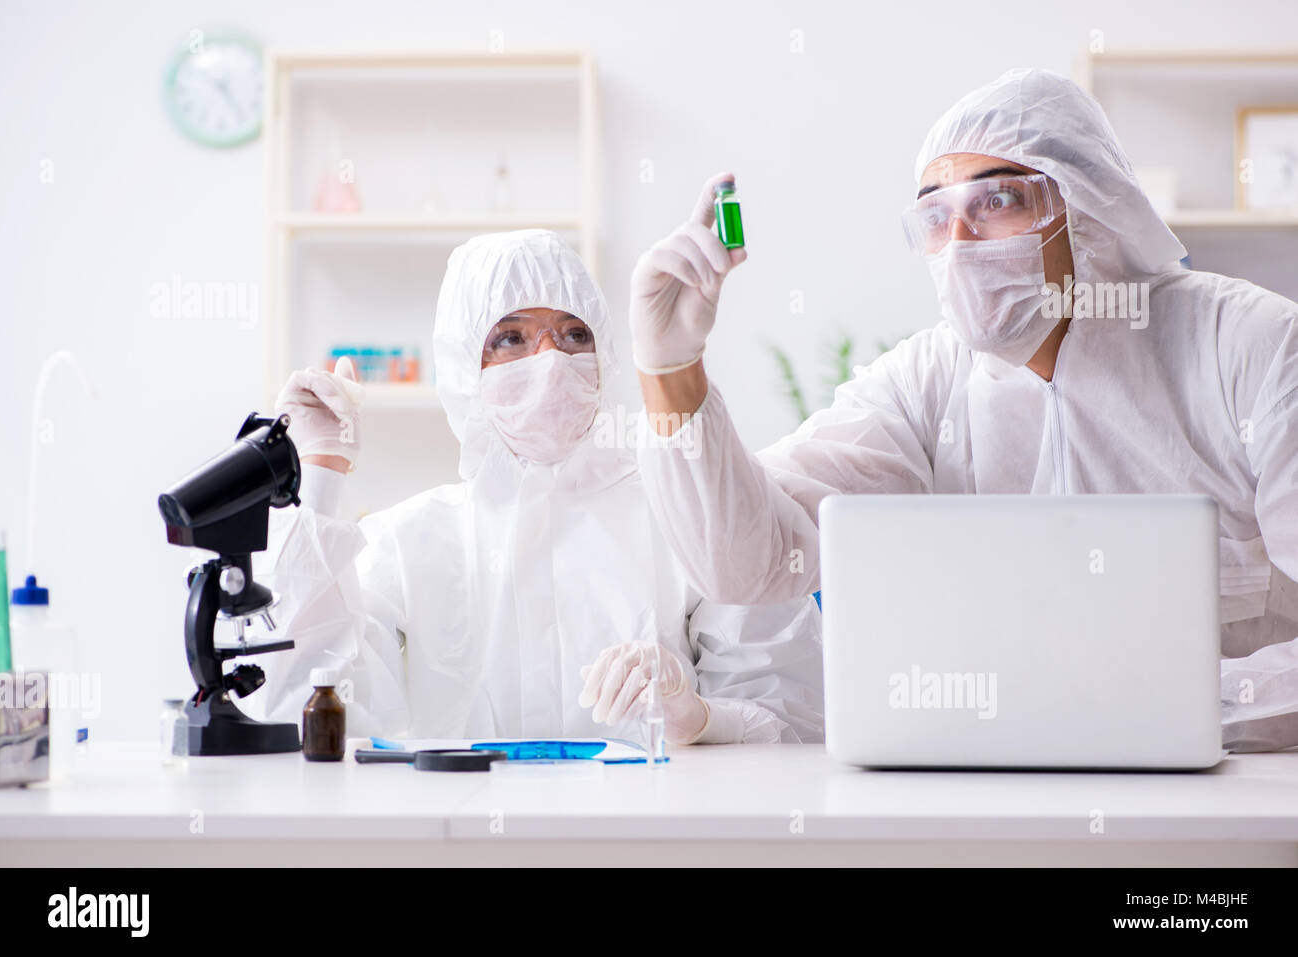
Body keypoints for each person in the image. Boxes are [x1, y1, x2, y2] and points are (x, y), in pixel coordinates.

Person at [628, 69, 1298, 752]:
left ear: (1086, 204)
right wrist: (671, 370)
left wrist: (1167, 712)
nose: (960, 241)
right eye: (935, 216)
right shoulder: (925, 385)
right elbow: (755, 560)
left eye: (999, 199)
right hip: (1003, 786)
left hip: (1241, 793)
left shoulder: (1251, 349)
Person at [243, 229, 824, 745]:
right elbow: (307, 709)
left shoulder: (684, 511)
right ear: (463, 368)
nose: (550, 360)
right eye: (512, 339)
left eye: (574, 334)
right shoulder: (411, 540)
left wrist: (697, 718)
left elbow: (794, 716)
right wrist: (320, 473)